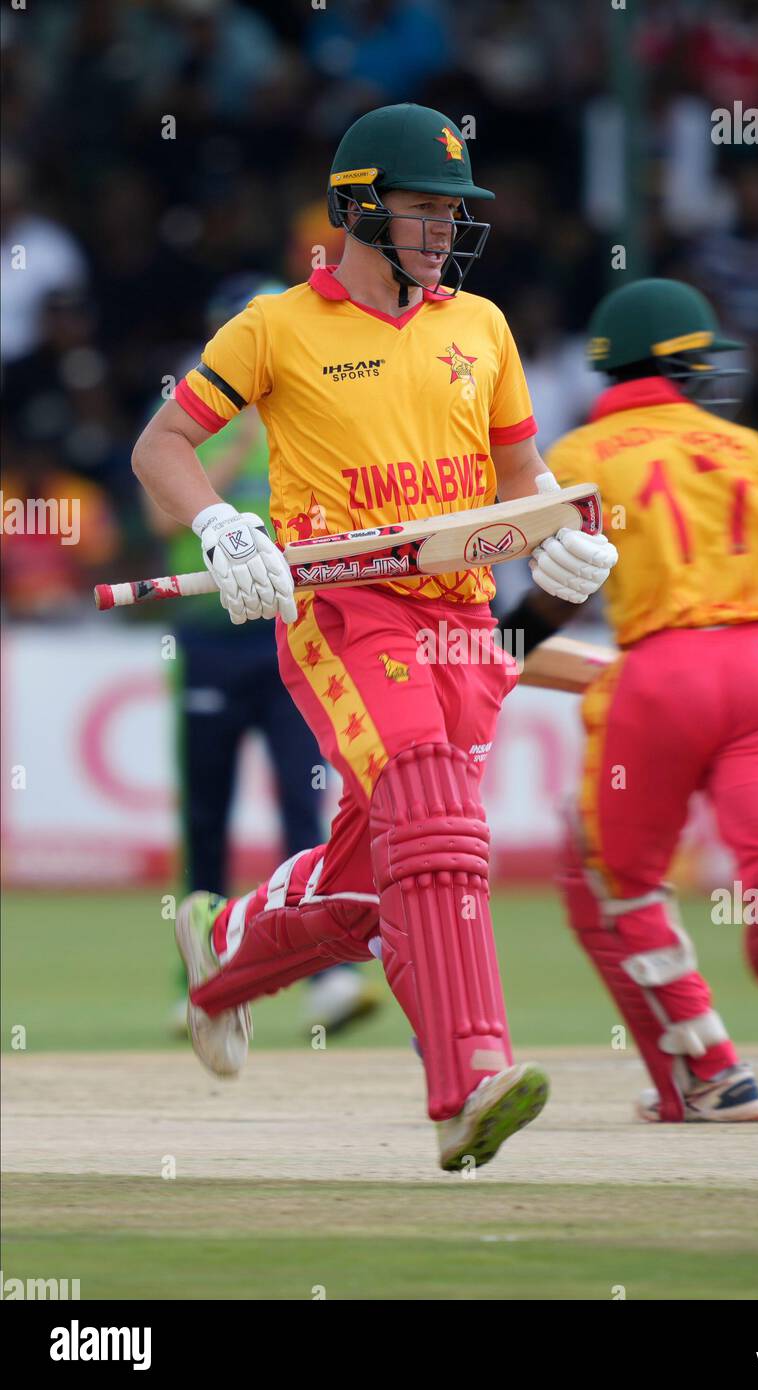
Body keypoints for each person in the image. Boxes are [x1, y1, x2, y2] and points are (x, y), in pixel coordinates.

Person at [129, 103, 617, 1170]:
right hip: (344, 611)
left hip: (465, 621)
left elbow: (521, 481)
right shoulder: (273, 327)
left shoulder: (478, 327)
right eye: (424, 209)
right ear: (358, 207)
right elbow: (161, 444)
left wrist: (561, 555)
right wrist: (218, 523)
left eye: (454, 211)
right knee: (433, 811)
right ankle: (466, 1082)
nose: (445, 231)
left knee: (370, 878)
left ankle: (222, 954)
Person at [501, 278, 758, 1123]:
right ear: (684, 366)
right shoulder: (746, 446)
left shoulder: (579, 454)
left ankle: (713, 1072)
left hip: (657, 674)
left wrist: (499, 649)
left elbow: (564, 592)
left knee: (616, 877)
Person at [145, 276, 383, 1039]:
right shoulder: (197, 416)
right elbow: (157, 511)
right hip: (209, 635)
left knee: (303, 800)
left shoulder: (304, 404)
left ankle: (329, 982)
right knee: (207, 813)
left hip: (286, 632)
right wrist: (242, 429)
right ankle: (202, 985)